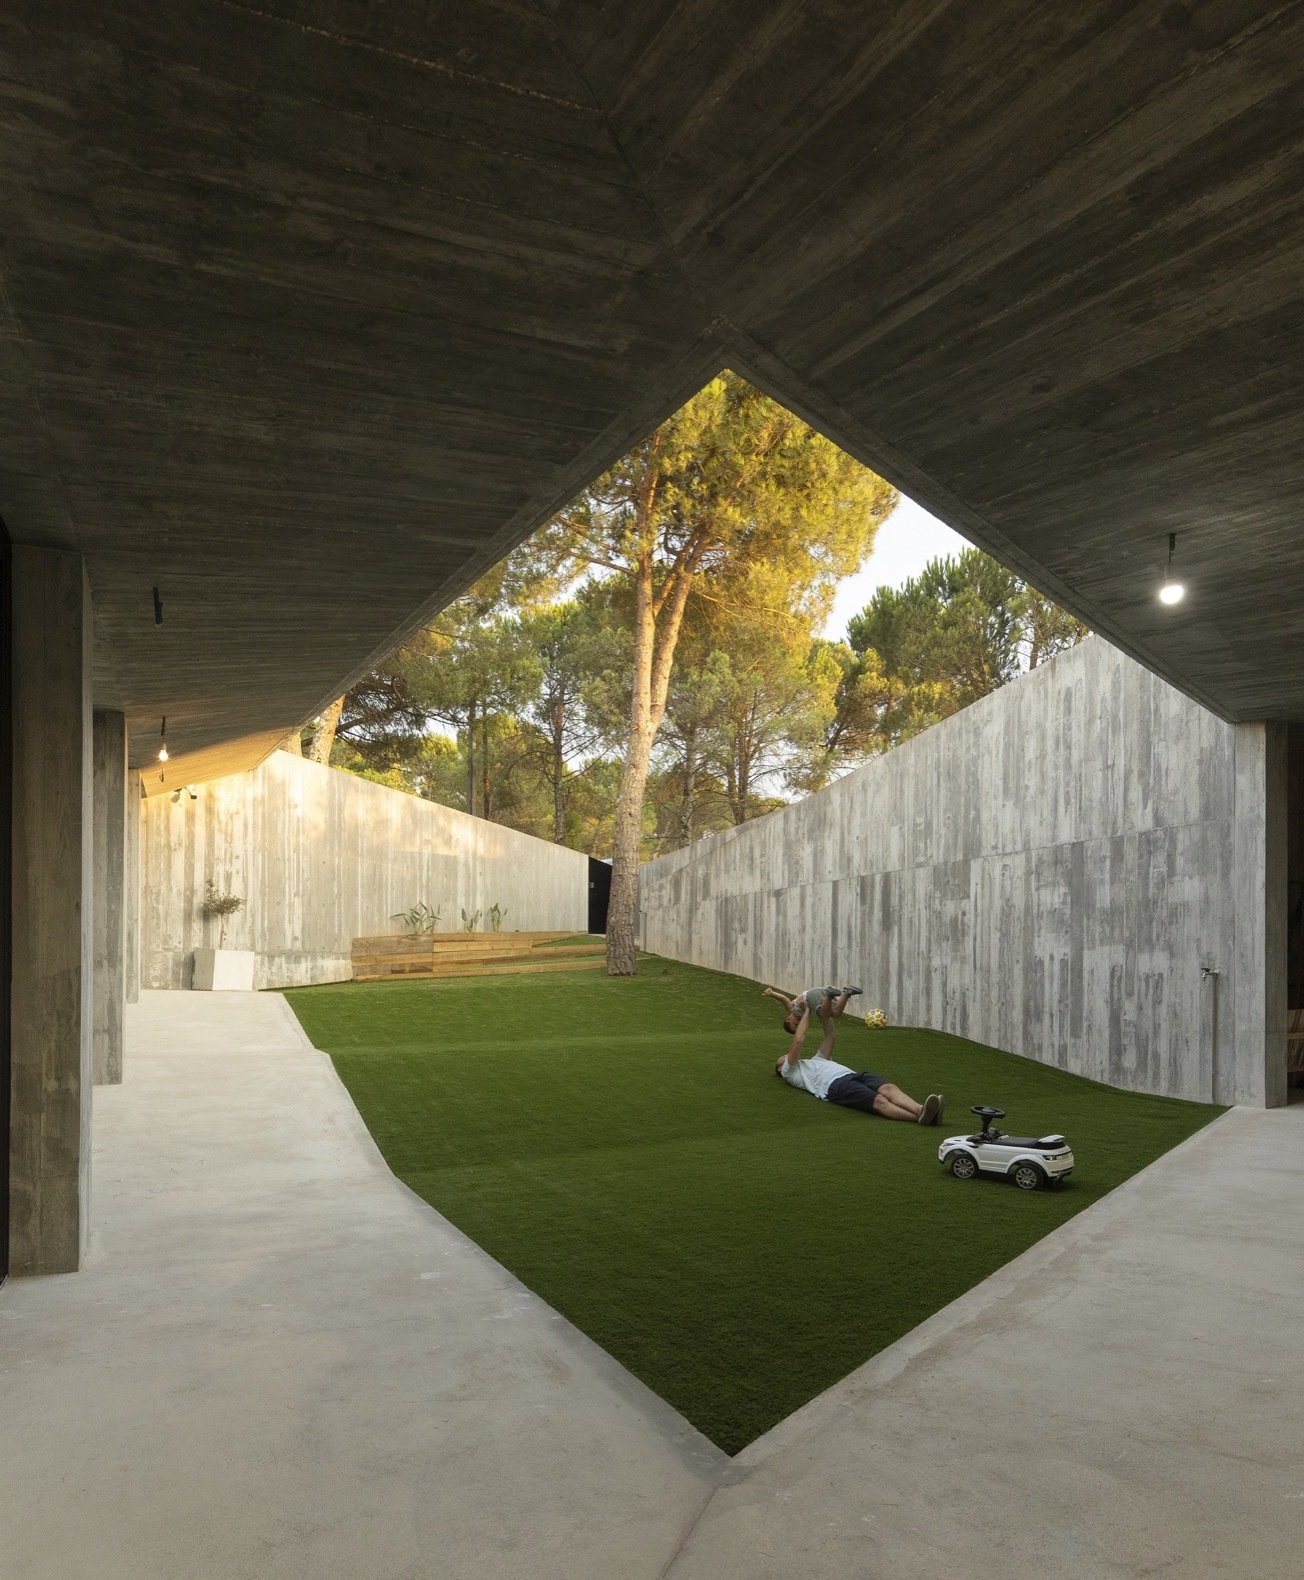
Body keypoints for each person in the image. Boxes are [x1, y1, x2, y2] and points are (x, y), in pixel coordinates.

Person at [773, 1002, 944, 1124]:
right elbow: (798, 1041)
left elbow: (830, 1035)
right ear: (781, 1069)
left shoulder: (816, 1060)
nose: (783, 1056)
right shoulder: (789, 1072)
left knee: (888, 1088)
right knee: (879, 1101)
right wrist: (807, 1012)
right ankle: (921, 1117)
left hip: (852, 1075)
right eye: (780, 1060)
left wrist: (824, 1012)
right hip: (834, 1086)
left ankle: (920, 1109)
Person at [762, 982, 862, 1043]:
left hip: (813, 996)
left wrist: (772, 993)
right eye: (797, 1027)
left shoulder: (792, 1009)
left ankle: (830, 995)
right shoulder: (804, 1017)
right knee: (835, 1013)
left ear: (788, 1019)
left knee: (823, 1014)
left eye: (794, 1025)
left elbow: (784, 999)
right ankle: (847, 992)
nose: (798, 1024)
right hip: (820, 995)